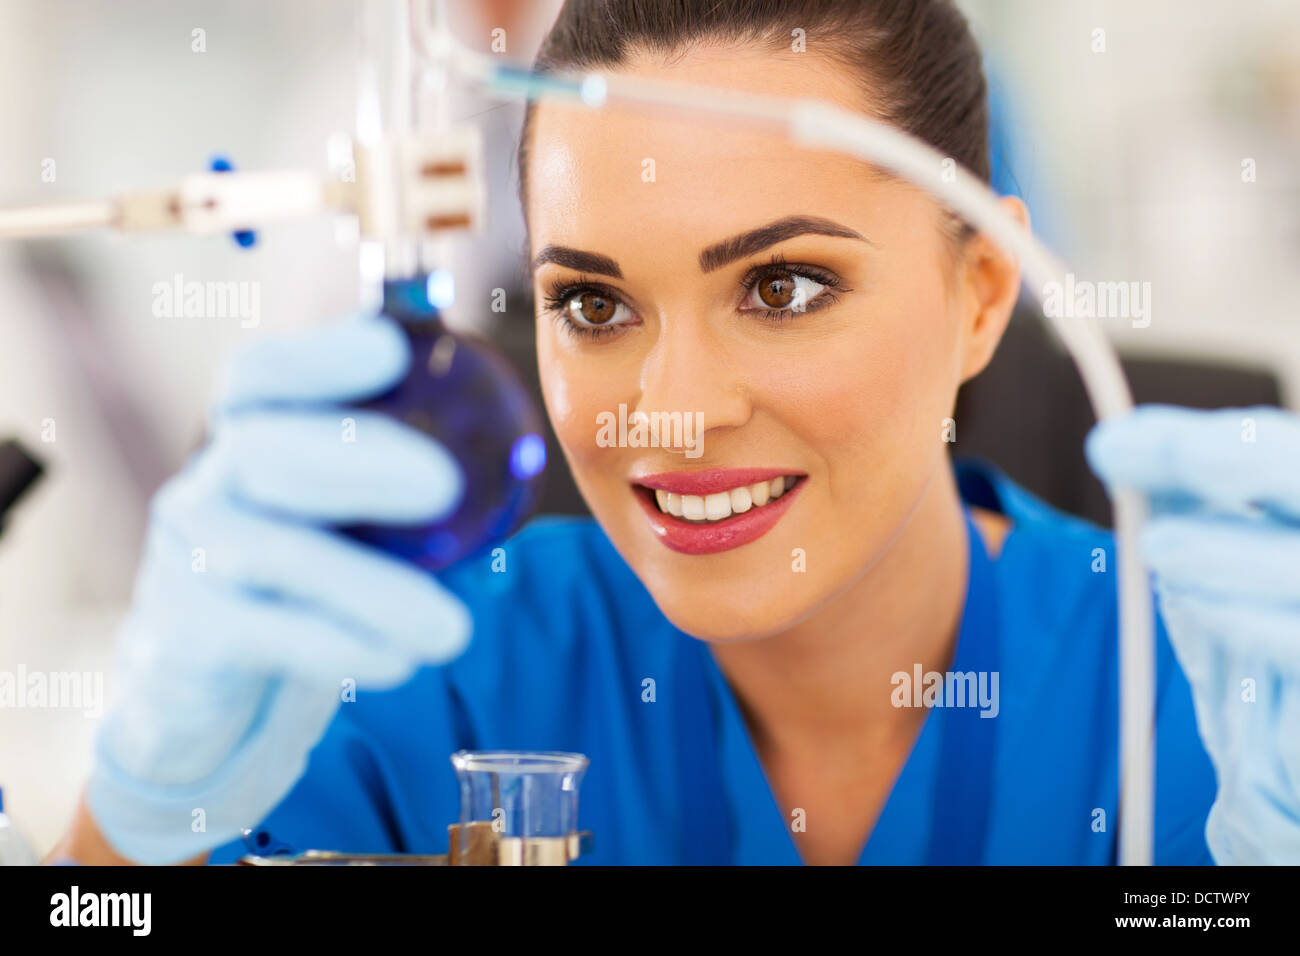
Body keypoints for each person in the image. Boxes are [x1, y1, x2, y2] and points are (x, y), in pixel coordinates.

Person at [52, 0, 1300, 866]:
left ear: (980, 292)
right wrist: (130, 821)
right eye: (592, 304)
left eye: (784, 287)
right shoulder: (425, 677)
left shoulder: (1210, 696)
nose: (672, 405)